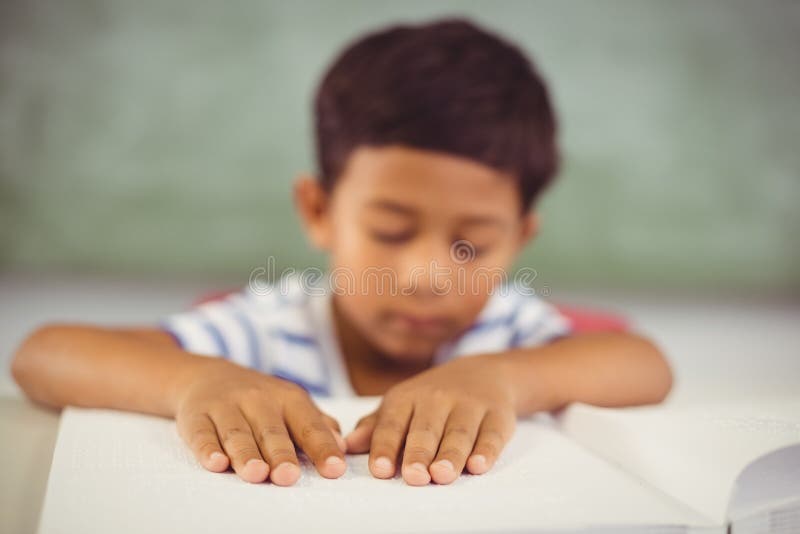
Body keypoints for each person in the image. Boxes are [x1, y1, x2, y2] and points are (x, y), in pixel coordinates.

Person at [11, 17, 673, 488]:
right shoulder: (271, 326)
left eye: (471, 243)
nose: (426, 277)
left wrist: (505, 379)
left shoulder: (512, 330)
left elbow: (644, 365)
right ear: (319, 212)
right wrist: (195, 381)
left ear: (521, 238)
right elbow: (43, 355)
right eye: (389, 231)